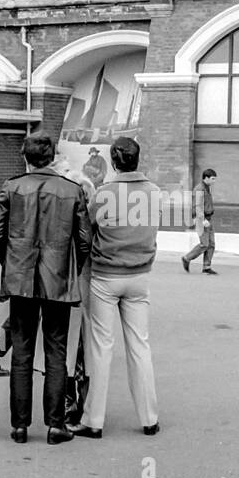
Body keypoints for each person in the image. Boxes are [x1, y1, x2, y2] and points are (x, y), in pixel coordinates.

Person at [0, 131, 91, 445]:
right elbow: (85, 240)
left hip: (21, 279)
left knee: (21, 353)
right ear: (53, 156)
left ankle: (19, 426)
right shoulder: (72, 190)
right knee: (56, 352)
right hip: (58, 278)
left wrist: (11, 261)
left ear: (26, 157)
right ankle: (55, 424)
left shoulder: (12, 186)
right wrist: (71, 266)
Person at [69, 136, 161, 439]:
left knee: (101, 347)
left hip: (106, 275)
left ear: (113, 160)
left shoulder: (105, 194)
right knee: (140, 346)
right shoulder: (154, 193)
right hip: (140, 275)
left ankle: (93, 420)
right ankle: (149, 418)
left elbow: (88, 227)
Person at [182, 167, 217, 274]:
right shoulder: (199, 189)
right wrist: (202, 220)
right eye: (213, 179)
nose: (214, 181)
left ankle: (207, 267)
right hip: (202, 219)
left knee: (211, 244)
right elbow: (197, 206)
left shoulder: (207, 187)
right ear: (206, 178)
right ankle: (187, 258)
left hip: (209, 218)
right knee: (204, 244)